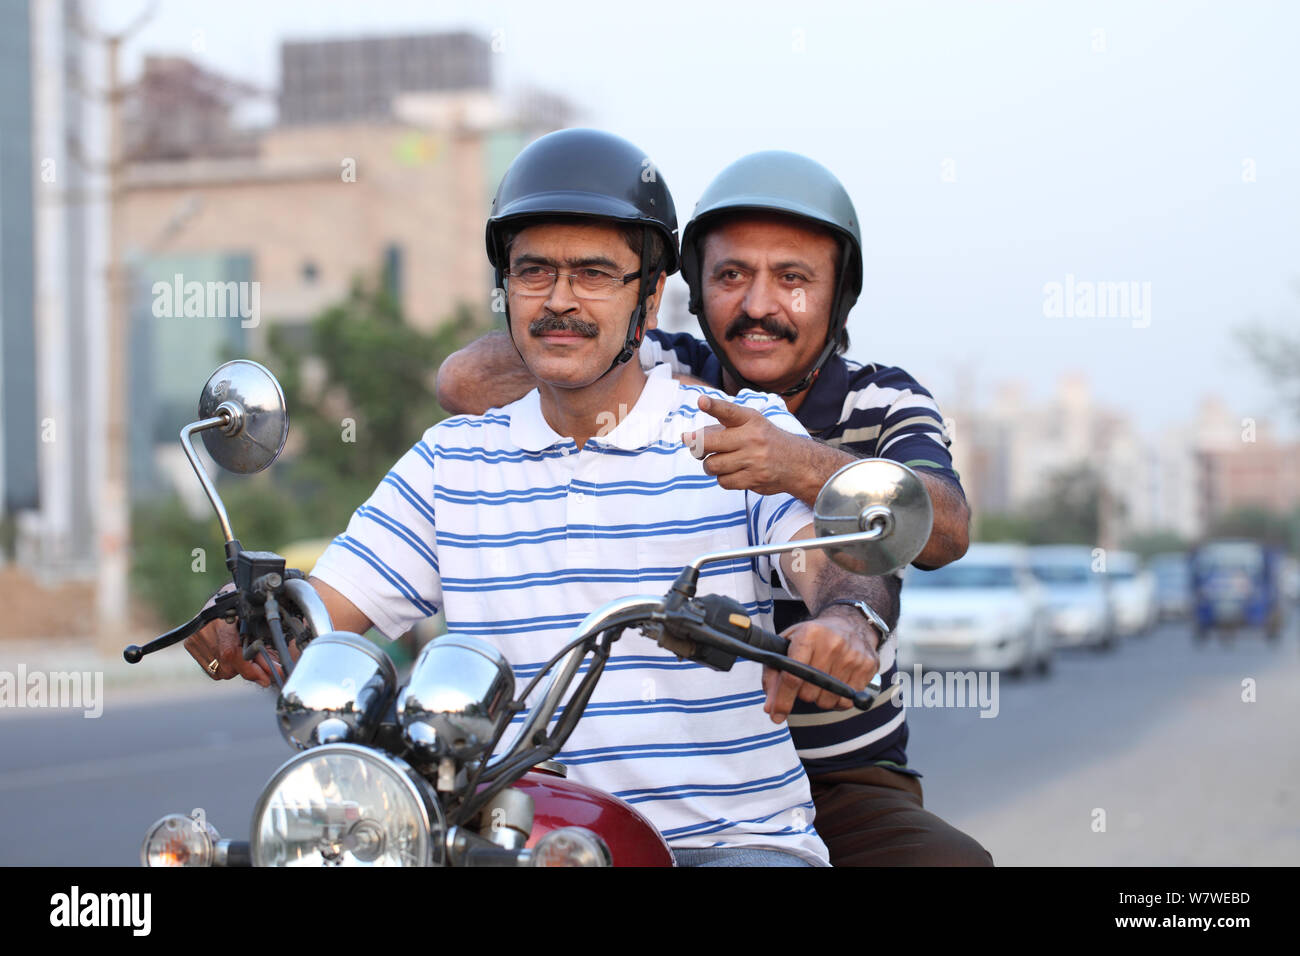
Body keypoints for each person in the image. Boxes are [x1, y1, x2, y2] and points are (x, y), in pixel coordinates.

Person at [185, 129, 892, 867]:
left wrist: (847, 618)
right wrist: (248, 619)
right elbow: (327, 606)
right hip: (517, 841)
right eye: (533, 272)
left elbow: (834, 554)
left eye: (593, 273)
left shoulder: (737, 434)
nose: (560, 299)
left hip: (724, 844)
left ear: (648, 298)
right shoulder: (450, 459)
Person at [437, 150, 992, 866]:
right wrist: (602, 331)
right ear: (689, 293)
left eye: (793, 279)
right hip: (662, 777)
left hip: (839, 778)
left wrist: (797, 463)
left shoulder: (882, 399)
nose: (759, 305)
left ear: (838, 296)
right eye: (731, 277)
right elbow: (464, 384)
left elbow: (946, 528)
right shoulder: (655, 368)